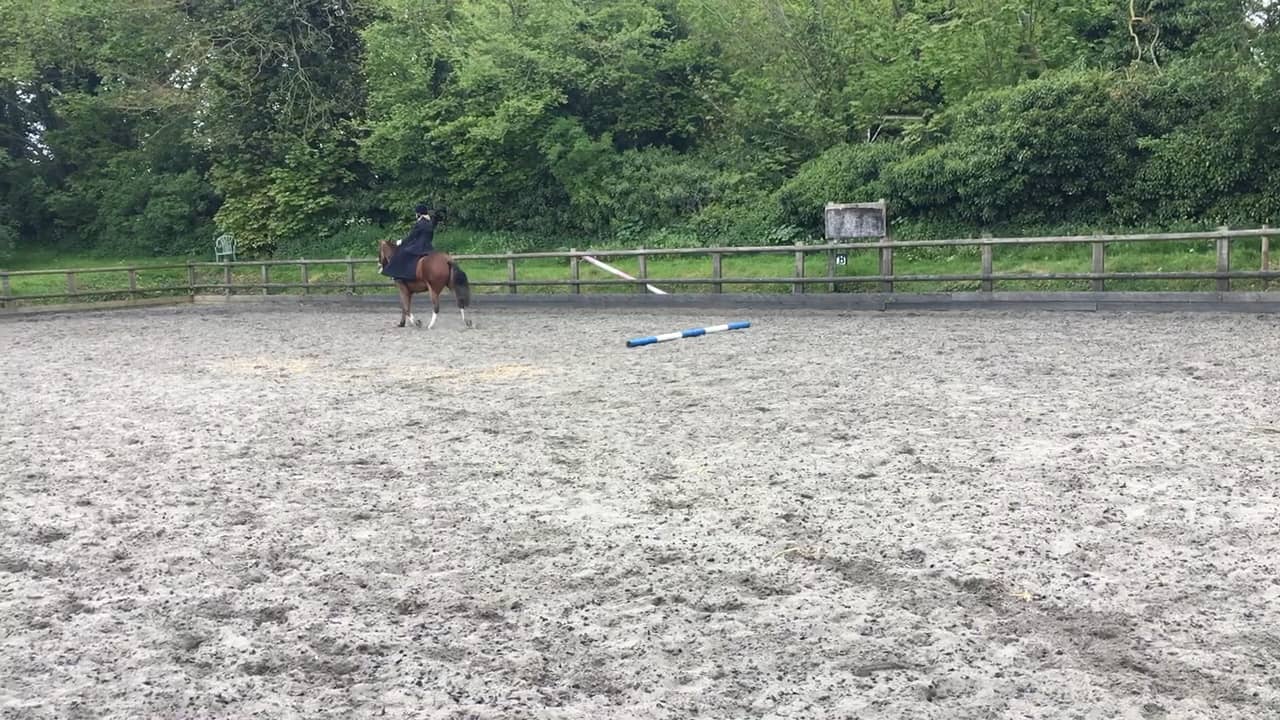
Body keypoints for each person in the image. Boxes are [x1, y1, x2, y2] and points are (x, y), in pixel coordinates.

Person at [380, 204, 437, 280]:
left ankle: (399, 274)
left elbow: (412, 236)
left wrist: (401, 242)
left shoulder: (420, 223)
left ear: (419, 214)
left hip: (420, 247)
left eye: (416, 213)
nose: (416, 214)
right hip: (429, 246)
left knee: (401, 252)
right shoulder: (430, 223)